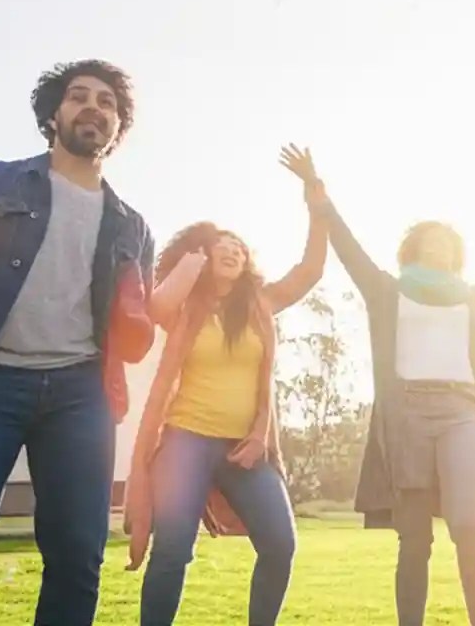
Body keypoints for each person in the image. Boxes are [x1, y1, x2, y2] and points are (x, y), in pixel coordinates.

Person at [0, 60, 155, 626]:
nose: (93, 107)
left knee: (77, 561)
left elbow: (134, 331)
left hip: (80, 392)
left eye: (107, 102)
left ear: (118, 126)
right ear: (53, 114)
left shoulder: (131, 226)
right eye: (79, 96)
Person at [316, 176, 475, 626]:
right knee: (414, 539)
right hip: (407, 415)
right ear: (413, 249)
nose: (439, 248)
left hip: (460, 413)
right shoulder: (388, 290)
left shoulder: (472, 298)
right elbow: (351, 253)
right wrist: (324, 205)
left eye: (447, 243)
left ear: (457, 254)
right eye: (430, 241)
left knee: (467, 524)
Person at [123, 144, 328, 625]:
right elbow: (155, 308)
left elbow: (311, 271)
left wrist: (314, 199)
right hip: (185, 440)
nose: (233, 251)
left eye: (239, 247)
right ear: (201, 258)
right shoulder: (186, 309)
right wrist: (187, 268)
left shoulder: (259, 305)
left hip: (245, 446)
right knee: (173, 551)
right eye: (222, 247)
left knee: (280, 544)